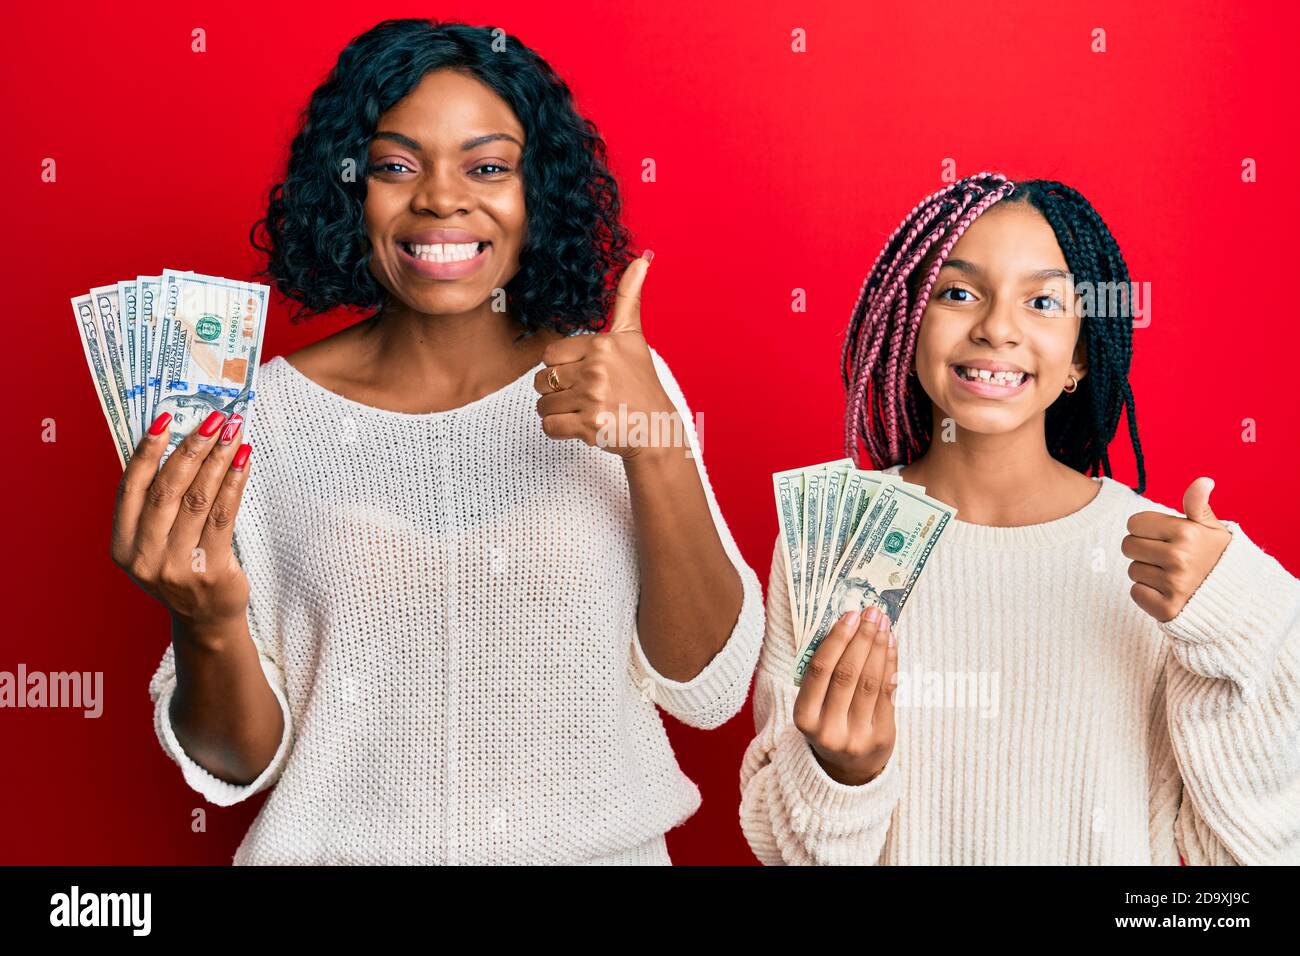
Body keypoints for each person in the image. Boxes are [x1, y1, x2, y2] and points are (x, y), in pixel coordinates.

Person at [112, 18, 763, 865]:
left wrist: (657, 445)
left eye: (488, 167)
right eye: (395, 166)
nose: (442, 199)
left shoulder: (619, 387)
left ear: (539, 194)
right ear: (351, 190)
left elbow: (708, 692)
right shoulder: (258, 417)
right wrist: (204, 622)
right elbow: (238, 762)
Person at [739, 172, 1300, 865]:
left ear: (1080, 356)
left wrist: (1241, 613)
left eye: (1041, 301)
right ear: (911, 322)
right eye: (958, 292)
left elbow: (1248, 854)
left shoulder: (1163, 569)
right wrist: (844, 775)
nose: (996, 327)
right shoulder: (840, 539)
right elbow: (778, 848)